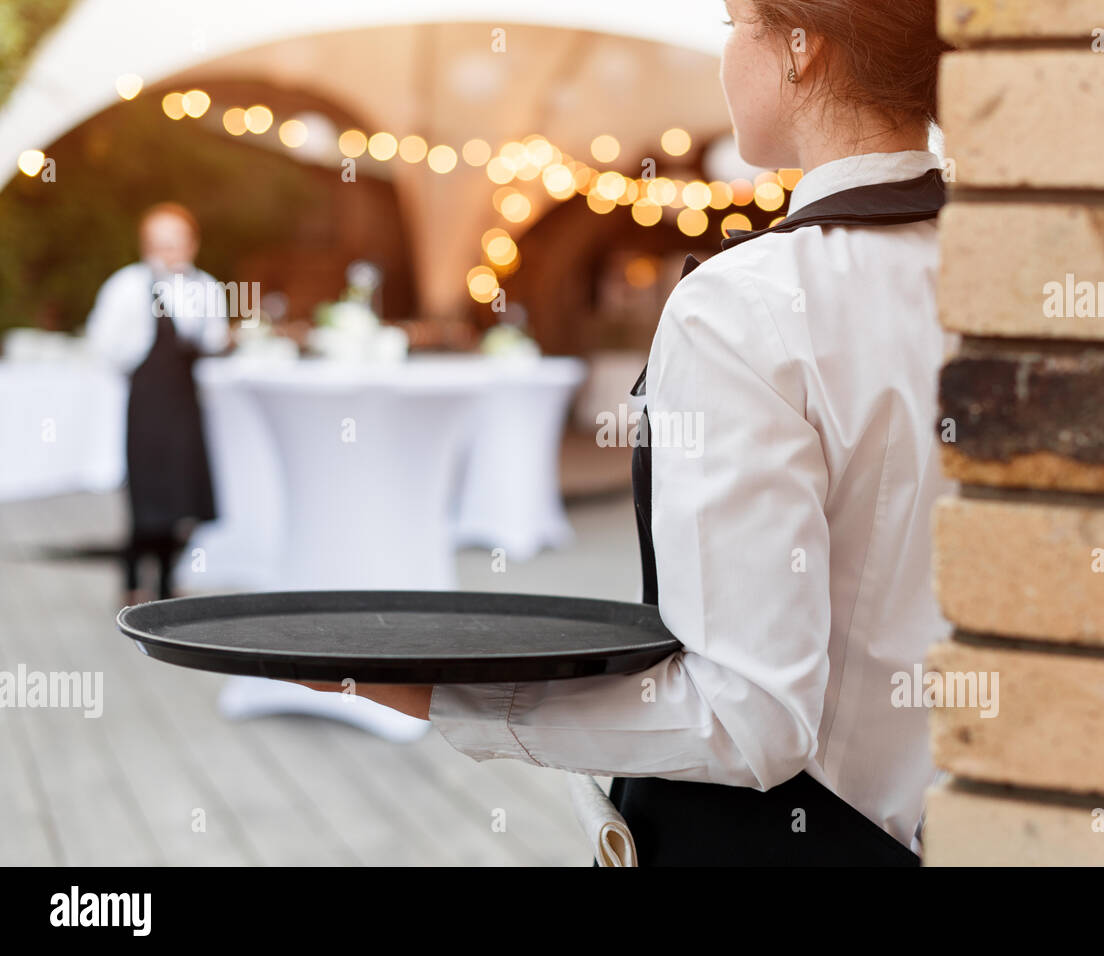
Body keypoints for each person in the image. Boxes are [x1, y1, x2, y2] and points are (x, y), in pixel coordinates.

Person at [311, 0, 953, 865]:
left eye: (734, 24)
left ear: (802, 49)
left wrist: (435, 691)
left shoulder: (744, 303)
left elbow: (750, 717)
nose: (726, 55)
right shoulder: (1005, 274)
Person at [86, 203, 230, 604]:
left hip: (184, 406)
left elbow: (213, 342)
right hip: (146, 405)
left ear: (192, 244)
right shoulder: (127, 287)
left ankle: (168, 581)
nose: (169, 253)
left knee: (181, 497)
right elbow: (106, 347)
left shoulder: (207, 288)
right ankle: (133, 581)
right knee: (145, 496)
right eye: (160, 244)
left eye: (176, 243)